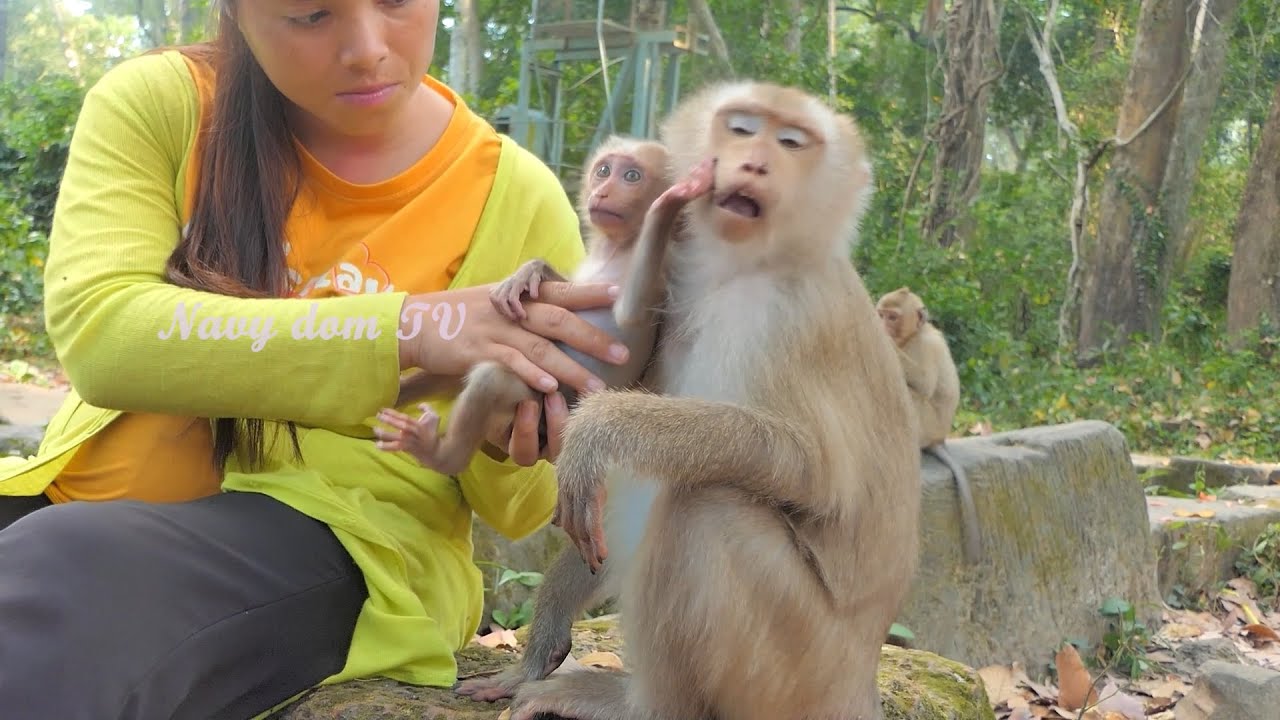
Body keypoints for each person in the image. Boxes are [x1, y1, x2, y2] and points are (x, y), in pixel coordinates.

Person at [0, 1, 632, 718]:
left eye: (395, 1)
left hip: (351, 545)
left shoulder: (512, 197)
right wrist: (409, 328)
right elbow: (105, 335)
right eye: (310, 15)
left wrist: (506, 435)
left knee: (71, 573)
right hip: (78, 497)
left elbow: (521, 508)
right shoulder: (165, 103)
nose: (366, 49)